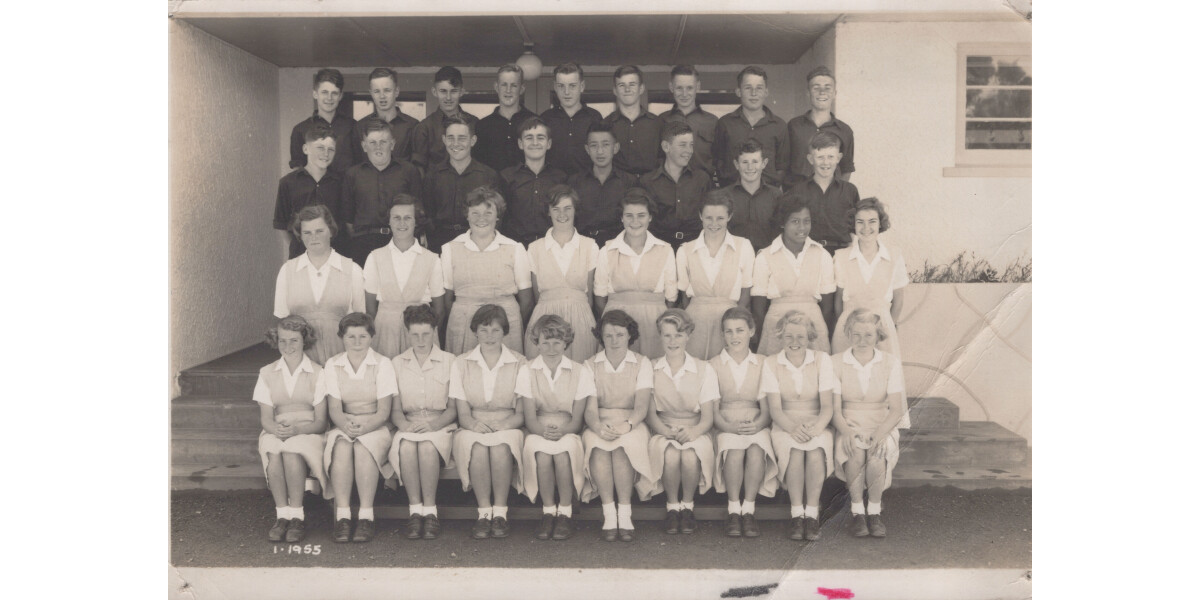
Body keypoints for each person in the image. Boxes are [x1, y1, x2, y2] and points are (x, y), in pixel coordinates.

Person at [450, 305, 527, 539]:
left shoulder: (520, 362)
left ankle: (500, 513)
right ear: (475, 332)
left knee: (501, 446)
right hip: (472, 424)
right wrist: (473, 425)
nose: (490, 336)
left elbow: (521, 413)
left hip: (509, 424)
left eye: (495, 330)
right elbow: (462, 413)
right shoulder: (461, 363)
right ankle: (484, 513)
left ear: (505, 332)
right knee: (478, 447)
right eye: (484, 330)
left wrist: (503, 426)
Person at [322, 312, 398, 543]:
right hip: (344, 424)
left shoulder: (383, 364)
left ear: (371, 337)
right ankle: (343, 516)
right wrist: (347, 426)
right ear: (342, 338)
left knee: (364, 448)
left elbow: (384, 411)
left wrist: (363, 428)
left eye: (362, 336)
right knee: (342, 447)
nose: (356, 342)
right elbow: (334, 409)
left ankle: (366, 516)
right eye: (351, 337)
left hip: (376, 425)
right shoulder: (333, 364)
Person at [517, 315, 595, 541]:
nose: (551, 348)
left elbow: (577, 420)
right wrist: (542, 431)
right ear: (537, 343)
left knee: (562, 454)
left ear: (566, 343)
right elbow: (529, 418)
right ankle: (548, 512)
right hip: (537, 428)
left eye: (557, 343)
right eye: (545, 342)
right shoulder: (527, 370)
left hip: (568, 428)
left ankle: (566, 512)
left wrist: (564, 431)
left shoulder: (580, 371)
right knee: (541, 455)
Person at [254, 315, 331, 543]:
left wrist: (296, 430)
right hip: (276, 428)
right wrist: (277, 430)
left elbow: (321, 421)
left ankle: (297, 515)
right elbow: (266, 419)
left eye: (294, 341)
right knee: (274, 452)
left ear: (304, 341)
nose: (288, 347)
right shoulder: (266, 372)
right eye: (283, 341)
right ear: (276, 341)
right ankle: (282, 516)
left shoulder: (318, 372)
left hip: (308, 430)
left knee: (291, 451)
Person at [831, 309, 908, 538]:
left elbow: (896, 409)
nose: (862, 341)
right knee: (855, 453)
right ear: (848, 333)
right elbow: (835, 410)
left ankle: (874, 512)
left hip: (881, 425)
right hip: (849, 423)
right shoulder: (835, 363)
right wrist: (847, 432)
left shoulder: (889, 362)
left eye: (868, 335)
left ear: (878, 336)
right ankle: (857, 514)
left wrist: (880, 434)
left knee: (876, 456)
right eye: (856, 334)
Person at [761, 310, 836, 542]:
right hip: (785, 423)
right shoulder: (771, 363)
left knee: (815, 452)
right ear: (781, 337)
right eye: (789, 337)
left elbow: (827, 407)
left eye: (800, 337)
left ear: (809, 337)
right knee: (793, 451)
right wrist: (792, 428)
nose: (795, 342)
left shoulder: (822, 360)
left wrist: (816, 428)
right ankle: (796, 514)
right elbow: (775, 409)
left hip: (816, 421)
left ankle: (811, 514)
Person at [582, 310, 655, 542]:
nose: (614, 340)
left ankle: (625, 514)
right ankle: (608, 514)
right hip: (600, 421)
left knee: (624, 447)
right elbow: (590, 409)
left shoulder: (642, 363)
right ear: (601, 337)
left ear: (629, 336)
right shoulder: (589, 365)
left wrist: (627, 425)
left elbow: (641, 406)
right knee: (599, 447)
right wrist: (597, 427)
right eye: (608, 335)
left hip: (631, 421)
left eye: (619, 335)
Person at [386, 305, 458, 540]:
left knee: (427, 447)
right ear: (408, 333)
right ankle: (415, 511)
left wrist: (433, 426)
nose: (420, 339)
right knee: (407, 447)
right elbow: (395, 410)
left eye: (426, 334)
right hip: (408, 423)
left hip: (440, 424)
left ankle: (431, 511)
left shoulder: (450, 361)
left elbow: (453, 409)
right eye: (415, 334)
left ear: (434, 332)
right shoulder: (396, 363)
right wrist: (405, 426)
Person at [646, 309, 717, 535]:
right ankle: (672, 507)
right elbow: (649, 414)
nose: (672, 341)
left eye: (678, 335)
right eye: (667, 335)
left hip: (696, 429)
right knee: (670, 454)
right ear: (660, 337)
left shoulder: (705, 369)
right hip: (662, 428)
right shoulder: (650, 367)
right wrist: (667, 432)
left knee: (688, 455)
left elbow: (708, 417)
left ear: (688, 336)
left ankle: (687, 507)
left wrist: (693, 432)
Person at [441, 186, 534, 353]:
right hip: (464, 324)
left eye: (488, 213)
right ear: (467, 215)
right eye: (475, 213)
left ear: (497, 216)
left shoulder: (514, 248)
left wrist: (508, 323)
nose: (481, 218)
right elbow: (447, 299)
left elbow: (526, 300)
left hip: (505, 325)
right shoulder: (450, 248)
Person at [710, 307, 777, 538]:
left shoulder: (763, 363)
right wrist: (728, 427)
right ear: (722, 334)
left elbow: (767, 411)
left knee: (757, 449)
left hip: (755, 420)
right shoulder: (713, 365)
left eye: (740, 330)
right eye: (728, 331)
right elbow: (713, 411)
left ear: (752, 331)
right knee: (735, 451)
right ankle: (733, 510)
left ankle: (748, 510)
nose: (734, 336)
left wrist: (758, 425)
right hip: (725, 421)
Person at [273, 204, 366, 366]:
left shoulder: (352, 270)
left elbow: (360, 322)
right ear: (300, 236)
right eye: (307, 233)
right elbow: (283, 322)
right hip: (302, 362)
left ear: (331, 231)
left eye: (319, 231)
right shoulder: (287, 271)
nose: (313, 237)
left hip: (342, 360)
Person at [593, 188, 678, 360]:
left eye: (641, 215)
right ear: (621, 217)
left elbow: (671, 298)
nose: (635, 221)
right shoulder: (607, 250)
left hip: (653, 324)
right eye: (629, 215)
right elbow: (600, 297)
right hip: (618, 325)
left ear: (650, 217)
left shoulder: (665, 250)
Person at [751, 196, 836, 356]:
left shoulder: (822, 254)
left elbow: (828, 305)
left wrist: (816, 328)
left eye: (806, 221)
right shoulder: (765, 256)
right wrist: (768, 333)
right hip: (777, 327)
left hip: (813, 327)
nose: (802, 227)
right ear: (782, 223)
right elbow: (758, 307)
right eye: (795, 221)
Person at [363, 194, 445, 358]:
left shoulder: (432, 259)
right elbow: (370, 309)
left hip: (420, 332)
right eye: (396, 218)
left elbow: (440, 309)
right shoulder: (375, 257)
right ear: (389, 221)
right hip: (385, 332)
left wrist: (426, 332)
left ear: (416, 221)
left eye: (408, 218)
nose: (402, 223)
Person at [525, 185, 600, 363]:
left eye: (568, 208)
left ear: (575, 211)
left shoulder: (590, 246)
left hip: (581, 320)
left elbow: (589, 295)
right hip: (544, 319)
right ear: (548, 212)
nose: (562, 214)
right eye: (556, 209)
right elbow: (537, 295)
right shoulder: (535, 248)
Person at [675, 194, 754, 359]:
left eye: (720, 218)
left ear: (729, 217)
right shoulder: (685, 250)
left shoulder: (743, 246)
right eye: (709, 218)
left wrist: (735, 321)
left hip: (729, 320)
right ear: (700, 216)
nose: (714, 223)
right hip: (696, 320)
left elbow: (746, 289)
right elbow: (684, 296)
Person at [341, 119, 422, 267]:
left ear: (392, 144)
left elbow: (418, 213)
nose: (378, 147)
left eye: (383, 142)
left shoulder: (409, 171)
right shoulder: (352, 175)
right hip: (363, 245)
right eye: (372, 143)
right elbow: (348, 220)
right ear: (364, 146)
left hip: (400, 242)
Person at [831, 198, 907, 357]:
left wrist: (887, 329)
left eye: (872, 221)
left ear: (880, 223)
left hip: (882, 330)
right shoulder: (841, 257)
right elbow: (838, 300)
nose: (866, 228)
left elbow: (898, 300)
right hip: (848, 330)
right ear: (854, 225)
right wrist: (845, 328)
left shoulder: (894, 256)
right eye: (860, 222)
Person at [422, 116, 502, 253]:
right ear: (444, 140)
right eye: (451, 138)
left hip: (477, 241)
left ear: (473, 141)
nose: (456, 143)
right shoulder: (433, 175)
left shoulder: (488, 175)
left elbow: (497, 214)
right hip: (440, 241)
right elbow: (427, 211)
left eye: (462, 138)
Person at [275, 123, 345, 259]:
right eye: (320, 148)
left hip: (334, 255)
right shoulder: (287, 183)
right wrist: (302, 248)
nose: (326, 154)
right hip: (300, 254)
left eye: (331, 149)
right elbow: (281, 224)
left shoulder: (341, 183)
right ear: (306, 149)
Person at [713, 66, 789, 188]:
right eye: (748, 88)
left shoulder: (779, 126)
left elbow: (782, 167)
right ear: (738, 91)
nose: (754, 93)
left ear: (766, 92)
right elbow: (718, 161)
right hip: (732, 196)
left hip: (767, 199)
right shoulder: (725, 124)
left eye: (759, 88)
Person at [640, 120, 712, 250]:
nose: (689, 150)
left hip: (695, 246)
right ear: (666, 147)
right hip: (659, 247)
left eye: (691, 145)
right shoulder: (648, 182)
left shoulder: (702, 179)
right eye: (682, 145)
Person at [787, 132, 861, 257]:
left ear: (838, 158)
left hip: (841, 253)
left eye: (830, 157)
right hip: (808, 253)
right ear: (810, 159)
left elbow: (856, 226)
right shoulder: (798, 191)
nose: (825, 162)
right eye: (820, 157)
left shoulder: (850, 191)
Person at [499, 117, 568, 246]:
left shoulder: (560, 178)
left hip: (551, 246)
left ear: (549, 144)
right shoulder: (507, 177)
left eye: (540, 138)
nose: (535, 142)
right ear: (520, 143)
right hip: (515, 247)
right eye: (529, 138)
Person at [568, 121, 638, 247]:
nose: (600, 151)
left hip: (618, 245)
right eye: (594, 146)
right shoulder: (575, 182)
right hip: (582, 245)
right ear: (587, 149)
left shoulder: (629, 182)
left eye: (606, 145)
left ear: (615, 148)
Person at [785, 66, 855, 189]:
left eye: (827, 88)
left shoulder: (844, 130)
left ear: (834, 94)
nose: (822, 92)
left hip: (830, 199)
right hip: (797, 197)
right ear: (808, 93)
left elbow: (846, 169)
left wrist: (836, 193)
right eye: (816, 87)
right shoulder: (793, 126)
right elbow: (784, 164)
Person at [715, 138, 783, 252]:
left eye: (755, 162)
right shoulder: (723, 196)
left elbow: (781, 233)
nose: (750, 167)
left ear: (764, 163)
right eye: (745, 162)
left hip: (767, 259)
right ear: (736, 164)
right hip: (734, 259)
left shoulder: (776, 196)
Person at [541, 62, 604, 177]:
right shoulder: (545, 119)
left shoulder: (594, 117)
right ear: (555, 87)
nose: (566, 92)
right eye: (561, 86)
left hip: (587, 183)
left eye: (572, 86)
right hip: (553, 184)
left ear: (582, 86)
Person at [412, 66, 479, 172]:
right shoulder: (424, 128)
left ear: (462, 92)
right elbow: (419, 169)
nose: (448, 97)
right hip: (435, 187)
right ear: (434, 92)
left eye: (453, 91)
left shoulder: (475, 123)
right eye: (443, 91)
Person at [288, 68, 355, 175]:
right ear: (315, 94)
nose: (329, 98)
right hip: (314, 191)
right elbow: (298, 173)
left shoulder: (353, 126)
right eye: (324, 92)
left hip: (347, 190)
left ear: (340, 96)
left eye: (334, 93)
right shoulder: (300, 130)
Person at [475, 64, 537, 173]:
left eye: (513, 85)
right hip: (493, 188)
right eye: (504, 85)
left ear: (522, 89)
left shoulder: (535, 123)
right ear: (496, 87)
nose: (508, 90)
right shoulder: (483, 125)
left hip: (526, 187)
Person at [661, 65, 718, 181]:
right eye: (679, 88)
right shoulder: (661, 121)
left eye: (689, 88)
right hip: (669, 188)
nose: (684, 93)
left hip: (704, 189)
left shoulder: (713, 122)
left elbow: (720, 160)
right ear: (671, 87)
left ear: (698, 87)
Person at [604, 65, 663, 177]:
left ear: (641, 88)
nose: (627, 90)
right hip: (617, 186)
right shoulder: (605, 124)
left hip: (650, 187)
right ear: (615, 90)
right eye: (622, 85)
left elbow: (663, 159)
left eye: (632, 84)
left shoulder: (657, 123)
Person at [352, 67, 419, 166]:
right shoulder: (360, 127)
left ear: (396, 91)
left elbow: (416, 168)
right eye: (376, 91)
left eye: (387, 90)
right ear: (371, 93)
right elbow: (357, 166)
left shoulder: (413, 126)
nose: (382, 96)